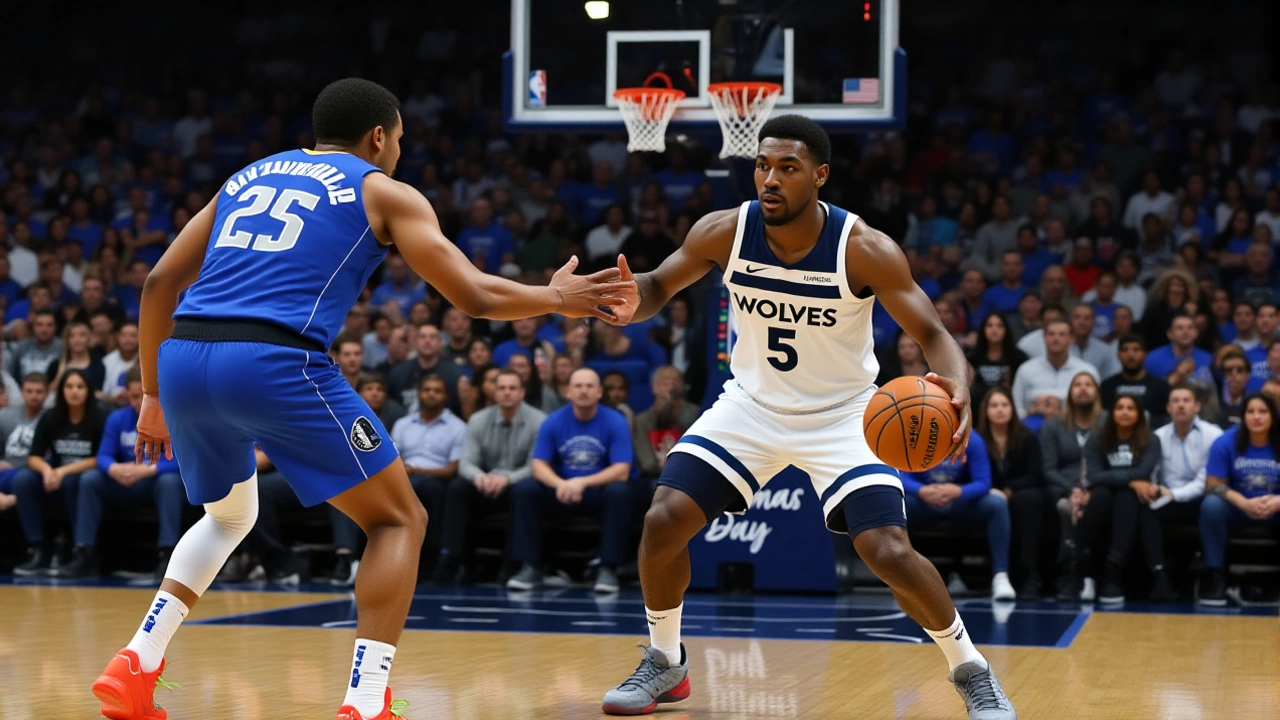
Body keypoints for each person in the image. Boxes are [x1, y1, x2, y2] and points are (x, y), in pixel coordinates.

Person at [91, 78, 633, 720]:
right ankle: (366, 701)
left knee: (230, 517)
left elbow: (157, 283)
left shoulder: (246, 176)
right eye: (399, 139)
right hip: (272, 359)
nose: (400, 152)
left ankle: (136, 664)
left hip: (184, 356)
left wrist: (151, 393)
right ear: (379, 136)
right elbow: (476, 297)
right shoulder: (382, 189)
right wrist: (556, 298)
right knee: (398, 520)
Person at [601, 116, 1014, 718]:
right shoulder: (723, 231)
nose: (770, 179)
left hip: (846, 414)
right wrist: (623, 296)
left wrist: (959, 387)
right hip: (752, 405)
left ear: (819, 176)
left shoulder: (864, 248)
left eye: (787, 168)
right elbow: (660, 285)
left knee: (888, 551)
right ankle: (667, 661)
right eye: (763, 166)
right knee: (664, 520)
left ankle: (971, 669)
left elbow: (931, 331)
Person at [1198, 393, 1280, 606]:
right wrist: (1243, 502)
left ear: (1273, 416)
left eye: (1263, 412)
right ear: (1243, 416)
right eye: (1251, 412)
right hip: (1238, 509)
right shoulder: (1226, 441)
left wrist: (1277, 502)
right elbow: (1213, 485)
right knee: (1211, 505)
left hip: (1275, 509)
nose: (1257, 417)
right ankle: (1214, 576)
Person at [1081, 395, 1162, 604]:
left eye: (1130, 408)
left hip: (1131, 498)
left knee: (1126, 496)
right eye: (1119, 408)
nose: (1125, 412)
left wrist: (1127, 482)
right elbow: (1094, 477)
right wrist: (1132, 480)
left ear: (1139, 414)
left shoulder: (1151, 439)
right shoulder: (1097, 438)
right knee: (1101, 495)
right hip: (1103, 495)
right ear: (1112, 413)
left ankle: (1113, 570)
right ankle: (1083, 566)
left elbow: (1145, 471)